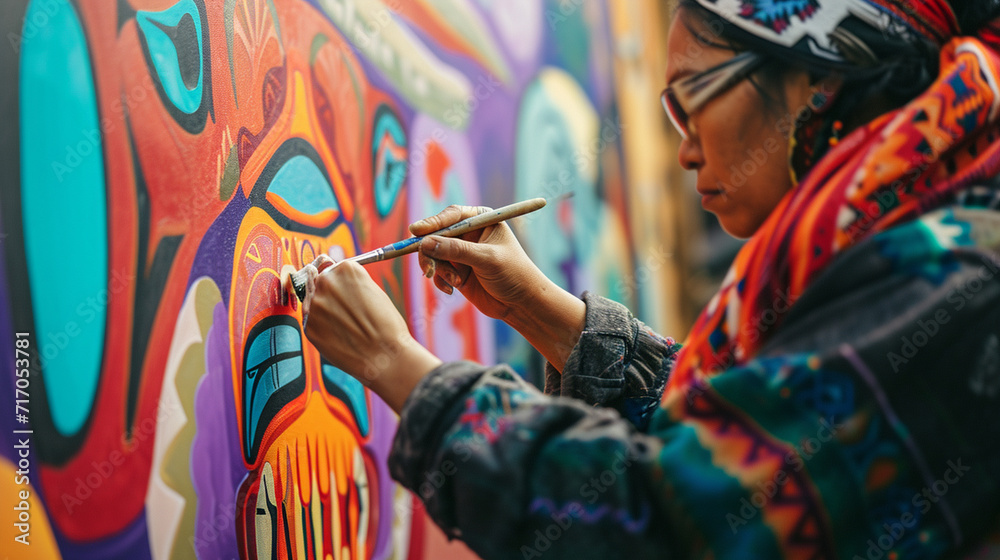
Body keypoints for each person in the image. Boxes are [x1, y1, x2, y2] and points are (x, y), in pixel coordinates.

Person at [301, 0, 1000, 557]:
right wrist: (545, 313)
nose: (684, 144)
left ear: (817, 78)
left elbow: (680, 524)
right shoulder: (925, 230)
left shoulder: (952, 283)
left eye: (692, 94)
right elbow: (749, 434)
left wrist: (401, 367)